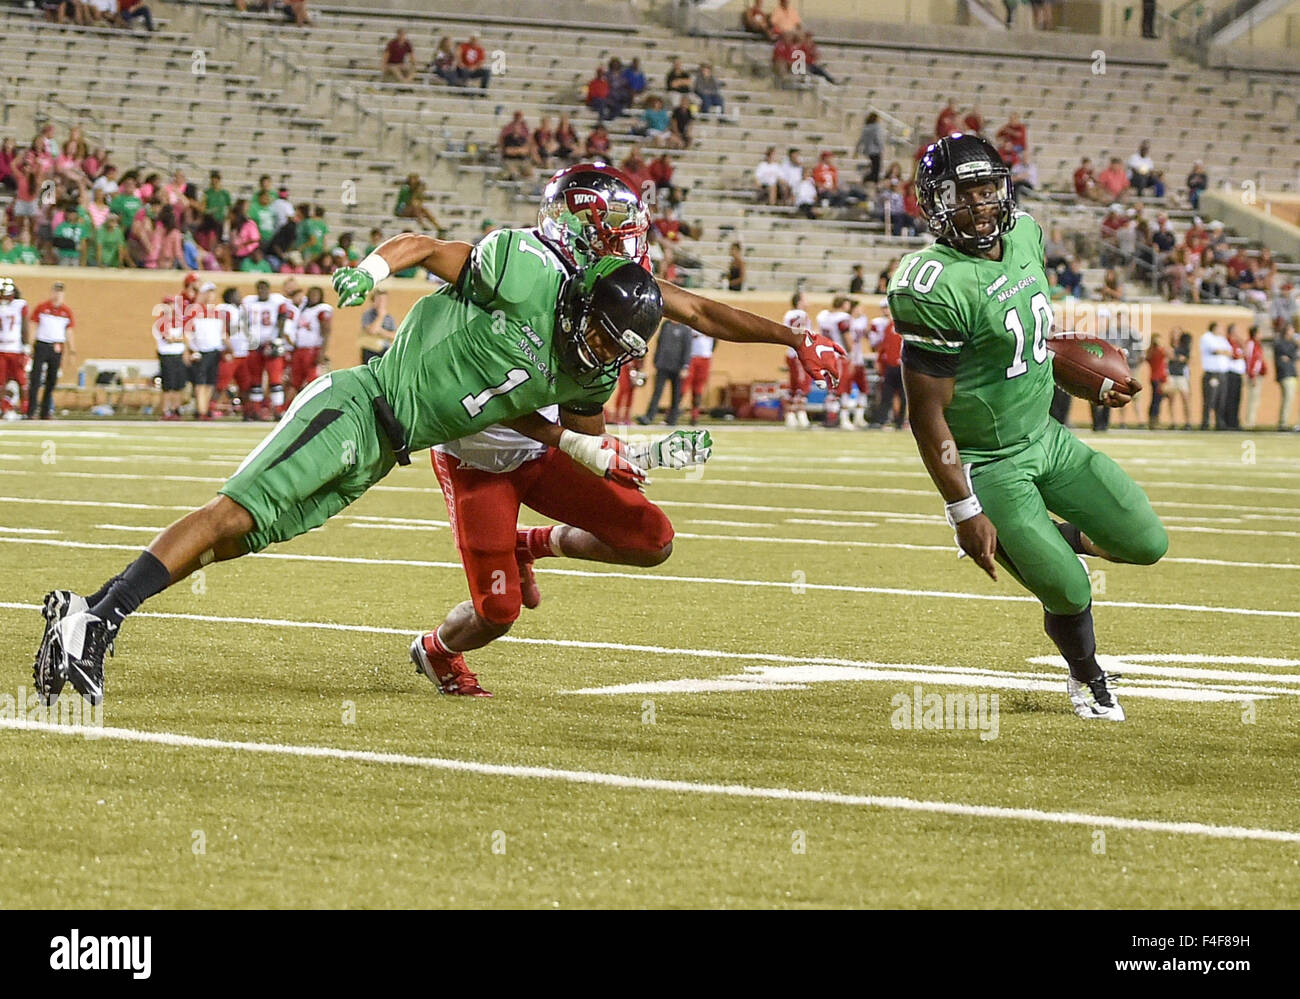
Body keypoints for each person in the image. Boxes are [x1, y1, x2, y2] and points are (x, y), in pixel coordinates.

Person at [34, 218, 846, 704]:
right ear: (580, 294)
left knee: (242, 537)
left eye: (613, 347)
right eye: (597, 331)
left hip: (388, 447)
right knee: (235, 509)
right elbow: (423, 243)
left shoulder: (584, 359)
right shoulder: (524, 272)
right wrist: (371, 269)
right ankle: (95, 618)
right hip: (359, 404)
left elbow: (524, 400)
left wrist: (599, 450)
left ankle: (84, 612)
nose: (598, 350)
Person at [891, 133, 1166, 723]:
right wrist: (963, 509)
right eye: (966, 194)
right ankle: (1087, 675)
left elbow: (1030, 342)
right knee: (1069, 590)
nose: (983, 204)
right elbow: (925, 412)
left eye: (989, 189)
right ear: (937, 203)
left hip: (1046, 437)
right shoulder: (933, 283)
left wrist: (1087, 382)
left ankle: (1047, 541)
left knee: (1146, 543)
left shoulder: (1026, 235)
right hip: (989, 461)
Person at [26, 282, 76, 421]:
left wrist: (72, 350)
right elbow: (33, 326)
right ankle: (31, 411)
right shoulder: (42, 308)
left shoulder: (66, 312)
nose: (57, 295)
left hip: (56, 347)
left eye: (60, 292)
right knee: (35, 380)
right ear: (52, 292)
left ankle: (45, 411)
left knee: (51, 380)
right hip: (42, 345)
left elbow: (69, 331)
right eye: (55, 292)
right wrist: (30, 345)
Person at [639, 319, 691, 426]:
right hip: (663, 364)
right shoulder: (665, 325)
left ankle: (672, 419)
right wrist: (656, 359)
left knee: (676, 395)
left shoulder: (685, 329)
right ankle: (649, 416)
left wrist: (685, 366)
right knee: (657, 392)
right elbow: (660, 342)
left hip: (677, 367)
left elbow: (687, 348)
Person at [0, 279, 29, 419]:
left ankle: (25, 409)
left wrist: (26, 345)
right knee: (2, 381)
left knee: (21, 381)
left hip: (15, 349)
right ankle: (3, 408)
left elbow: (24, 326)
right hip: (3, 348)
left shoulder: (19, 305)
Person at [1198, 321, 1231, 430]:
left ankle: (1220, 423)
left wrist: (1223, 351)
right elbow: (1215, 351)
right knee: (1210, 399)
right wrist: (1223, 351)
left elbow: (1230, 352)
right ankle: (1205, 423)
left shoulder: (1222, 339)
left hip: (1222, 373)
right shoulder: (1207, 337)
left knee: (1221, 399)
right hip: (1212, 373)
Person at [359, 289, 396, 363]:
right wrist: (381, 316)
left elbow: (394, 335)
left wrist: (380, 331)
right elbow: (372, 330)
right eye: (379, 300)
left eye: (384, 300)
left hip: (385, 350)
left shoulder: (389, 317)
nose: (381, 303)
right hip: (370, 350)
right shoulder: (368, 314)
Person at [1165, 329, 1192, 429]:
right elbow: (1170, 357)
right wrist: (1178, 358)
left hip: (1182, 375)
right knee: (1171, 399)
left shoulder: (1185, 348)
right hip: (1171, 374)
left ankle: (1188, 422)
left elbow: (1188, 359)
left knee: (1186, 399)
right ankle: (1173, 422)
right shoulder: (1170, 347)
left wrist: (1178, 358)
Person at [1275, 324, 1298, 431]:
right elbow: (1285, 357)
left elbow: (1291, 356)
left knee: (1291, 399)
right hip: (1285, 374)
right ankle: (1283, 423)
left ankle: (1285, 422)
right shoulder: (1281, 343)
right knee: (1287, 399)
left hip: (1292, 374)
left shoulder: (1292, 343)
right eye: (1291, 330)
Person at [1145, 333, 1168, 428]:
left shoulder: (1151, 351)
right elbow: (1168, 354)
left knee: (1156, 399)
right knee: (1156, 400)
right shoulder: (1157, 351)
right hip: (1157, 378)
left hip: (1156, 378)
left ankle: (1153, 420)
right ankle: (1154, 421)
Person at [855, 112, 883, 184]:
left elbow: (861, 140)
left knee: (873, 167)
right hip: (876, 150)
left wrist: (857, 150)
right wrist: (881, 147)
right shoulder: (876, 127)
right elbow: (878, 138)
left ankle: (870, 179)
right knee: (876, 168)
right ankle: (872, 180)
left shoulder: (866, 128)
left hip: (868, 151)